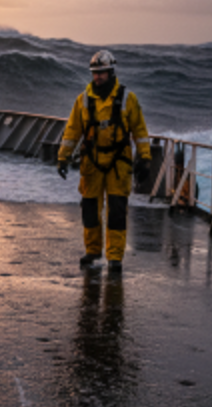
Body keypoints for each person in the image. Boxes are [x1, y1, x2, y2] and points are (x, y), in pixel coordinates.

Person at [57, 50, 151, 274]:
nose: (97, 77)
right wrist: (63, 157)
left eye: (102, 73)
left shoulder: (129, 99)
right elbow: (72, 131)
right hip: (91, 164)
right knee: (90, 210)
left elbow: (140, 131)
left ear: (111, 72)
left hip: (119, 165)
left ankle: (115, 257)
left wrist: (145, 158)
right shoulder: (83, 100)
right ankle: (92, 251)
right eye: (95, 73)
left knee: (117, 212)